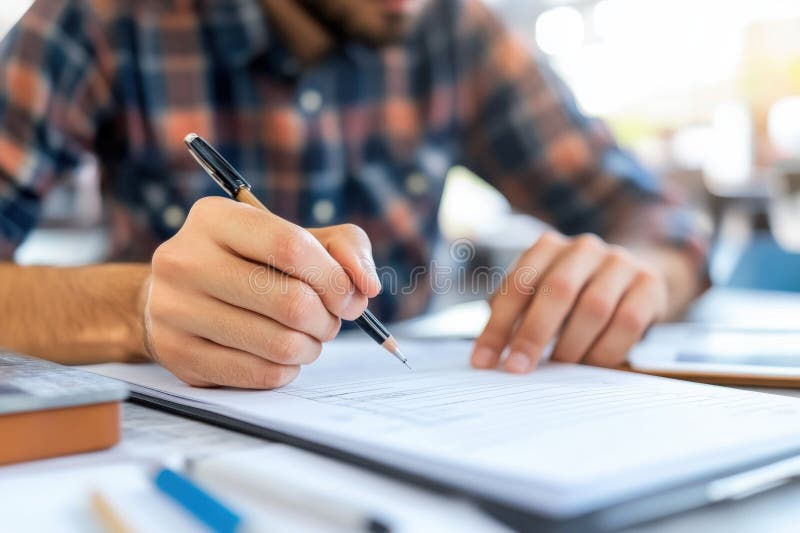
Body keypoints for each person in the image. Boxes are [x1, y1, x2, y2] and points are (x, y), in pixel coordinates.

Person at [0, 0, 707, 389]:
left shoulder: (457, 32)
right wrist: (139, 310)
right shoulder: (95, 22)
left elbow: (659, 218)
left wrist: (637, 274)